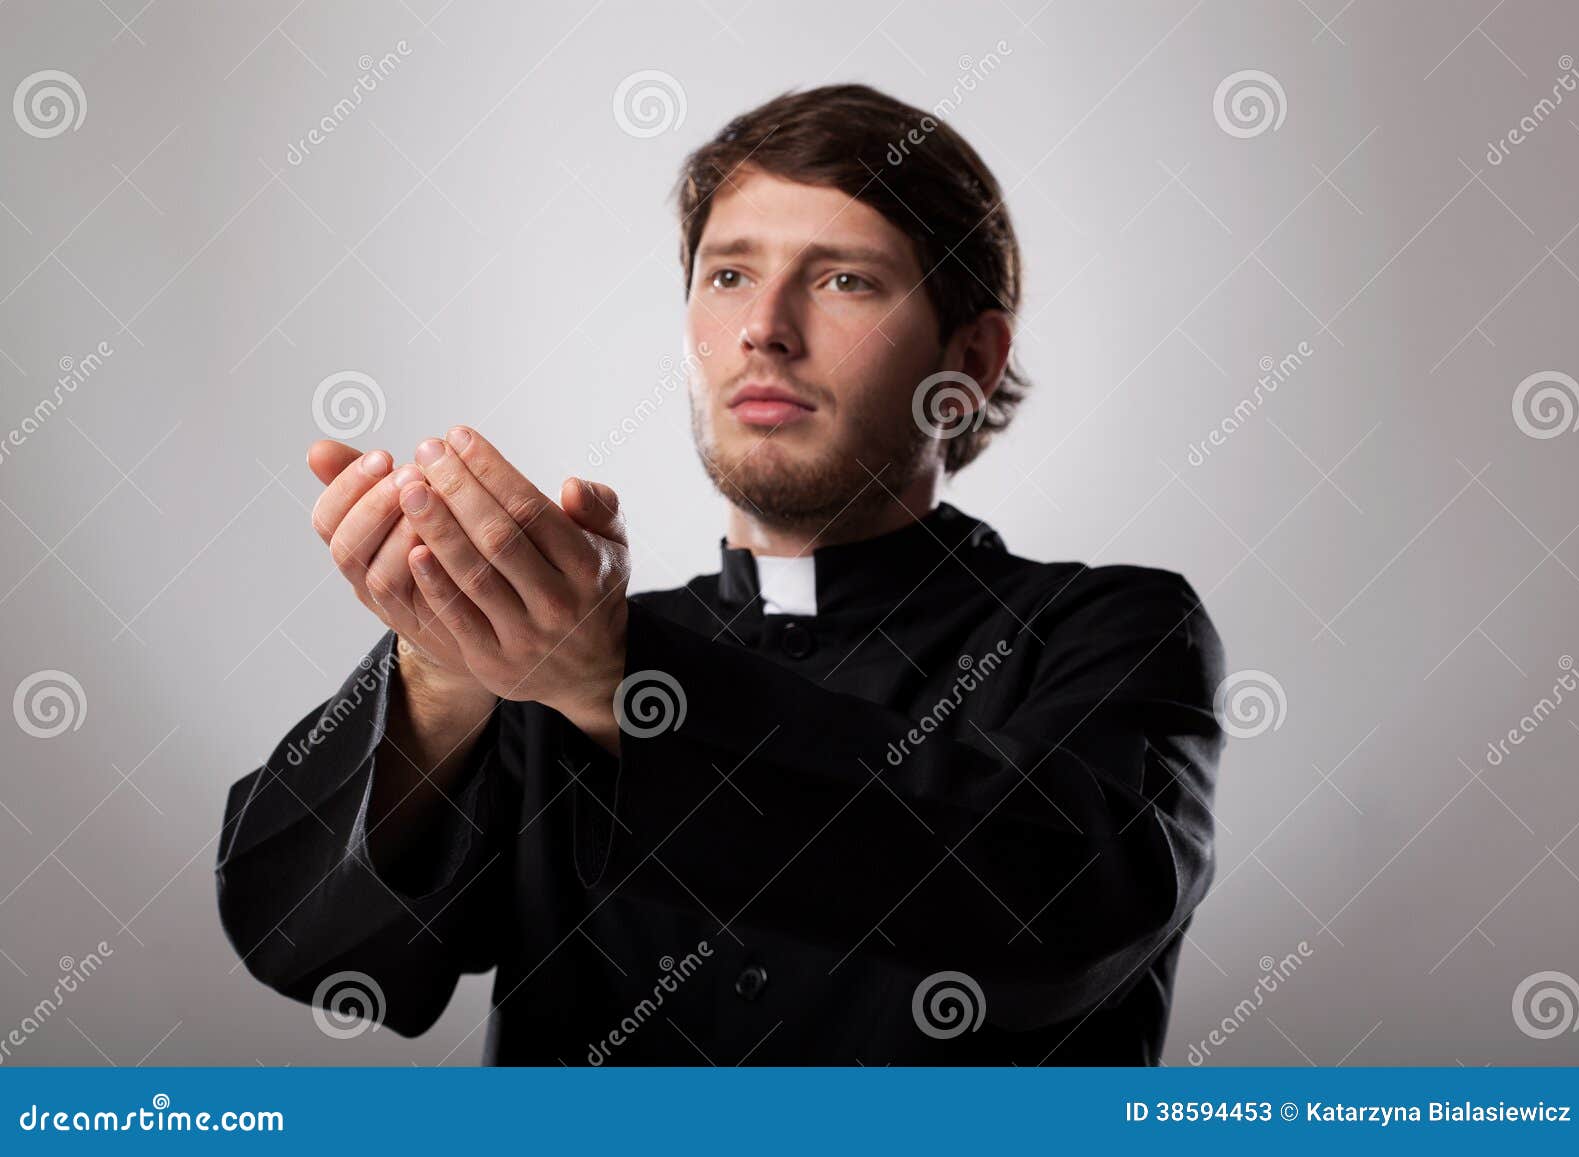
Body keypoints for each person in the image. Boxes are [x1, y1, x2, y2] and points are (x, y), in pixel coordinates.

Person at [215, 82, 1228, 1065]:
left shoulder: (1112, 627)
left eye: (844, 280)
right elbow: (320, 955)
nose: (764, 327)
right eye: (730, 274)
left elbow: (1066, 910)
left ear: (967, 359)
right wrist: (439, 674)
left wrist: (619, 684)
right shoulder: (548, 654)